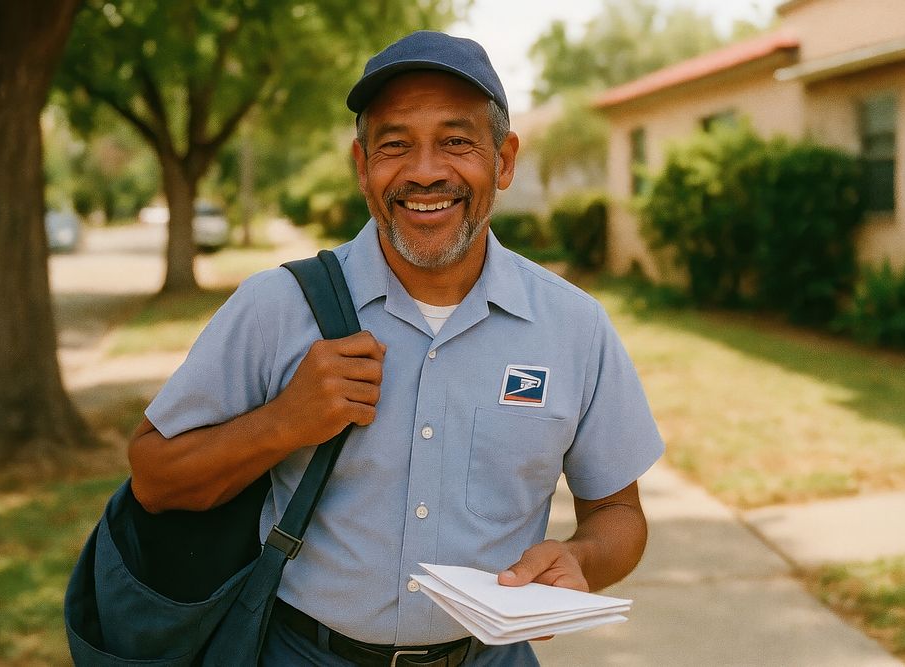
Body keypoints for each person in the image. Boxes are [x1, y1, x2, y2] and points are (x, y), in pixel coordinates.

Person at [129, 30, 664, 666]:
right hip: (303, 655)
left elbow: (619, 515)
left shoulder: (575, 327)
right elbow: (153, 478)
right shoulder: (277, 307)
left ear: (505, 160)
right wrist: (284, 422)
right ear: (362, 167)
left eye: (457, 141)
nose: (425, 171)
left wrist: (581, 558)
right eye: (394, 146)